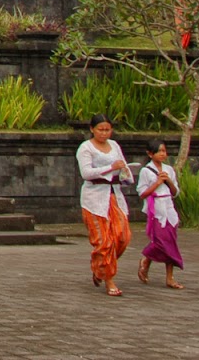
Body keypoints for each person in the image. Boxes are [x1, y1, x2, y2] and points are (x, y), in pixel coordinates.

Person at [76, 113, 131, 297]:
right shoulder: (86, 148)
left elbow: (123, 166)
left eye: (108, 130)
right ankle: (109, 280)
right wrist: (110, 168)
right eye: (100, 129)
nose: (104, 133)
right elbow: (86, 173)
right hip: (94, 198)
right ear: (92, 129)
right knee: (103, 241)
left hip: (113, 195)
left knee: (122, 236)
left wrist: (124, 172)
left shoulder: (114, 145)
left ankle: (100, 266)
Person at [136, 139, 184, 289]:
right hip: (156, 209)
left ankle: (169, 277)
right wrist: (156, 183)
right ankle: (146, 256)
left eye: (164, 151)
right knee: (160, 241)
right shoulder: (146, 171)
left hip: (169, 207)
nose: (163, 154)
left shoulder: (169, 169)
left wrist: (168, 181)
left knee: (171, 241)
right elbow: (142, 193)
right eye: (159, 151)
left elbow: (175, 192)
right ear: (150, 154)